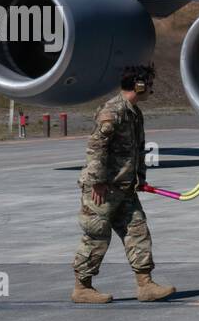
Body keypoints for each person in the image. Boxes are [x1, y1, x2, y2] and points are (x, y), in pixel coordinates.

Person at [70, 64, 175, 304]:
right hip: (103, 190)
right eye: (148, 85)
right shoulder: (112, 112)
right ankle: (82, 287)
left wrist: (140, 177)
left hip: (124, 188)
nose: (151, 90)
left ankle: (145, 285)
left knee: (138, 231)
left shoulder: (134, 113)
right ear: (138, 86)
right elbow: (97, 148)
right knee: (96, 237)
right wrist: (97, 182)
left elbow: (137, 149)